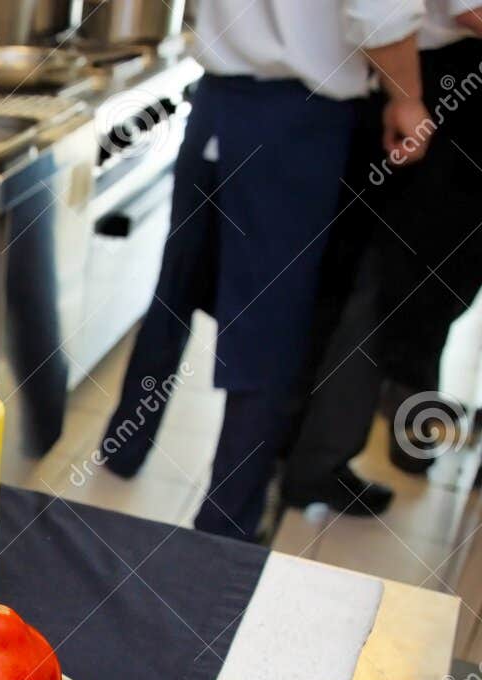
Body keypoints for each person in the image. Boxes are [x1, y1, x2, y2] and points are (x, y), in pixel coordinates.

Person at [97, 0, 431, 540]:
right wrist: (408, 98)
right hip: (293, 122)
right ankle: (225, 525)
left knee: (175, 292)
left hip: (217, 102)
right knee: (269, 325)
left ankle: (121, 451)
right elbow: (377, 12)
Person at [284, 0, 482, 508]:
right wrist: (410, 97)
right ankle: (323, 457)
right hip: (442, 88)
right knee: (396, 287)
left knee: (417, 287)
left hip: (435, 88)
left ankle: (401, 434)